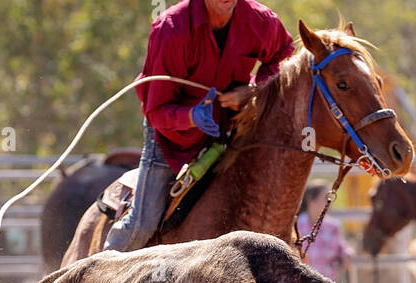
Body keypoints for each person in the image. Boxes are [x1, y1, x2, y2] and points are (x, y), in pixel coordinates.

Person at [107, 0, 294, 252]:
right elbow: (156, 112)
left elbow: (284, 53)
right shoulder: (171, 29)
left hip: (227, 128)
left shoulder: (261, 20)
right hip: (170, 136)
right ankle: (95, 275)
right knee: (143, 222)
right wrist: (191, 117)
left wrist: (254, 90)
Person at [297, 183, 353, 282]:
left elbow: (342, 249)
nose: (329, 202)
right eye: (326, 198)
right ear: (311, 201)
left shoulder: (334, 226)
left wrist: (347, 255)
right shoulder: (296, 226)